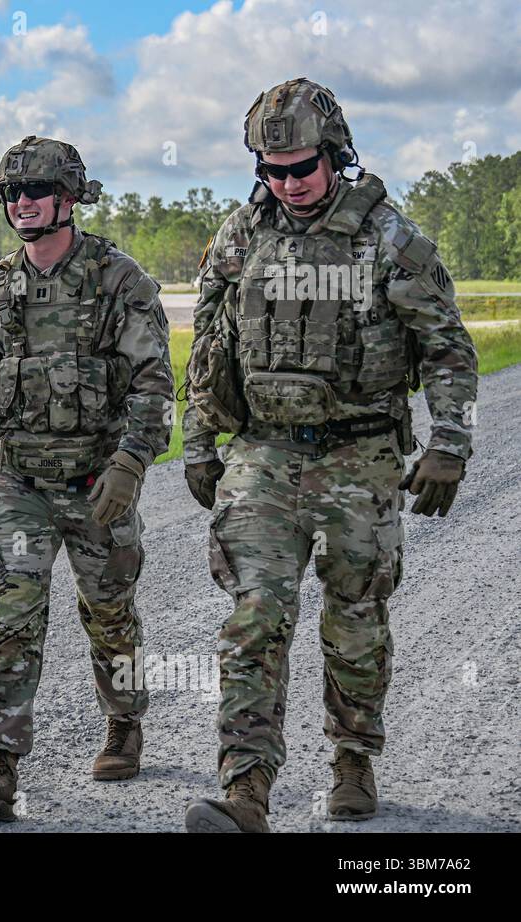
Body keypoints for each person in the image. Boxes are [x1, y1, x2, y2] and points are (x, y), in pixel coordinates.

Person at [181, 78, 478, 832]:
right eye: (272, 171)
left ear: (336, 154)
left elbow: (447, 349)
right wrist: (198, 441)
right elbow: (209, 347)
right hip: (264, 453)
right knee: (255, 613)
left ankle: (353, 758)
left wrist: (449, 443)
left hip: (360, 454)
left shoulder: (389, 237)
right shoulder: (241, 236)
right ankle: (246, 786)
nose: (288, 183)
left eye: (302, 167)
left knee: (355, 616)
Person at [0, 136, 175, 822]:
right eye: (11, 194)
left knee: (108, 612)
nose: (22, 203)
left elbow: (152, 385)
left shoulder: (117, 280)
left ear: (70, 197)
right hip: (19, 481)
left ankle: (125, 721)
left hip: (95, 480)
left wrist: (130, 466)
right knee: (15, 612)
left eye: (36, 190)